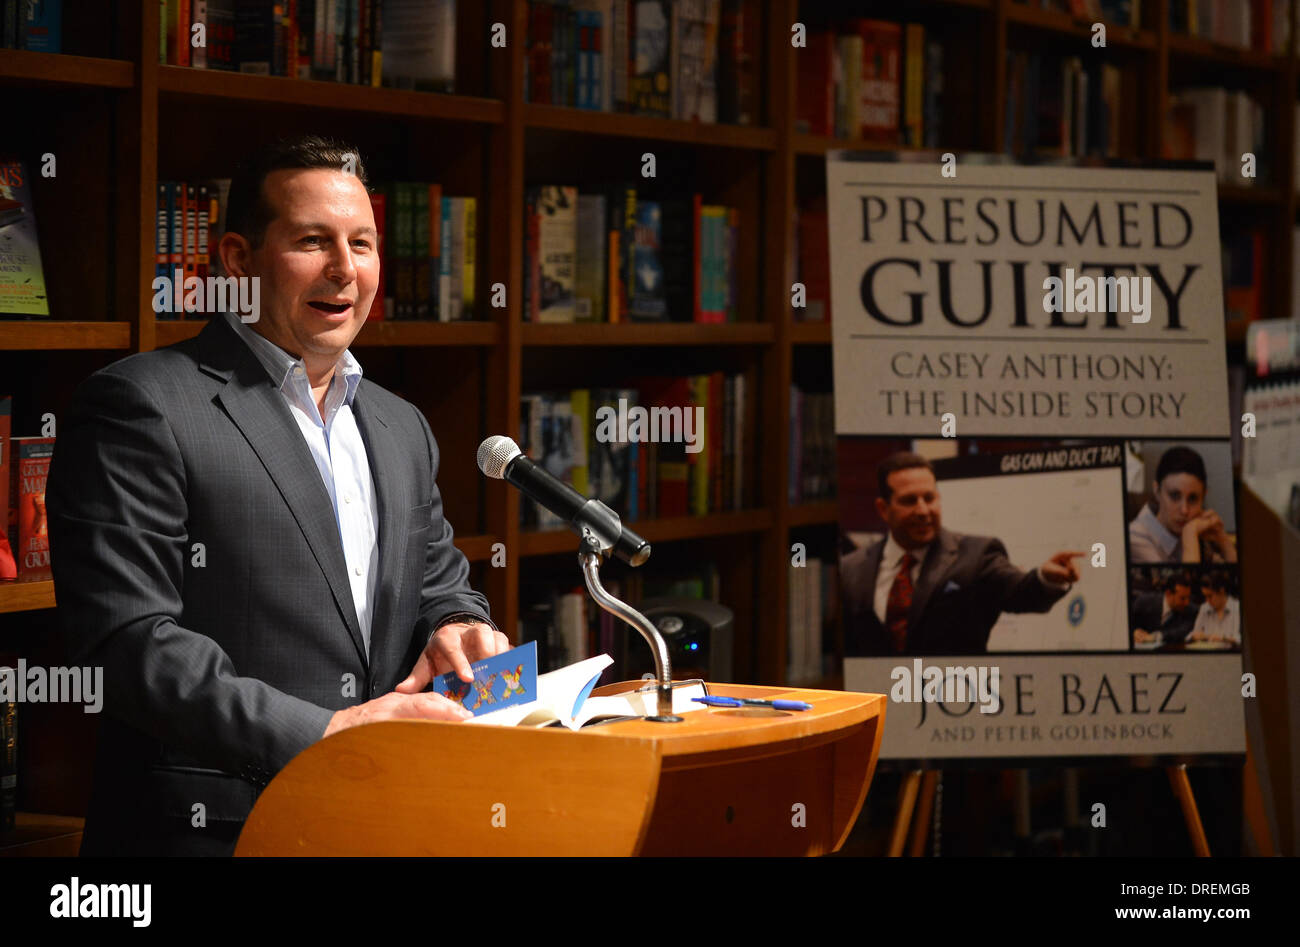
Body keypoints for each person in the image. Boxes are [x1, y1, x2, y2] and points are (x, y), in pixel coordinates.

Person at [46, 136, 509, 855]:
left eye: (363, 242)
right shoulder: (141, 405)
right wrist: (326, 732)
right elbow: (127, 644)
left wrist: (457, 621)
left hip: (390, 817)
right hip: (214, 833)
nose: (345, 269)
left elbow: (438, 581)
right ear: (238, 258)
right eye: (313, 241)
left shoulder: (401, 424)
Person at [840, 452, 1082, 655]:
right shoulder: (852, 568)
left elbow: (1019, 591)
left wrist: (1046, 578)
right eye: (909, 500)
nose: (923, 510)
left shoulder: (975, 555)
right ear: (883, 509)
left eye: (930, 498)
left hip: (953, 699)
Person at [1129, 446, 1237, 564]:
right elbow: (1185, 582)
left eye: (1193, 499)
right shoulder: (1135, 539)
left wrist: (1223, 541)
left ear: (1203, 497)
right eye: (1174, 496)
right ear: (1157, 491)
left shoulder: (1194, 527)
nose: (1184, 510)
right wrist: (1189, 537)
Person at [1131, 573, 1197, 646]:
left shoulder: (1191, 610)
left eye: (1188, 597)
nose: (1187, 602)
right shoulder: (1144, 602)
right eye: (1182, 598)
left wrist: (1155, 637)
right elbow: (1127, 623)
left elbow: (1183, 632)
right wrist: (1134, 632)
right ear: (1168, 594)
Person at [1187, 573, 1241, 645]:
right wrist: (1195, 636)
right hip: (1209, 654)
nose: (1207, 600)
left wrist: (1223, 638)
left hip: (1231, 654)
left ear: (1221, 591)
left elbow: (1241, 639)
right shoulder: (1204, 608)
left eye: (1210, 596)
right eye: (1205, 596)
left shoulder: (1237, 607)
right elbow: (1192, 634)